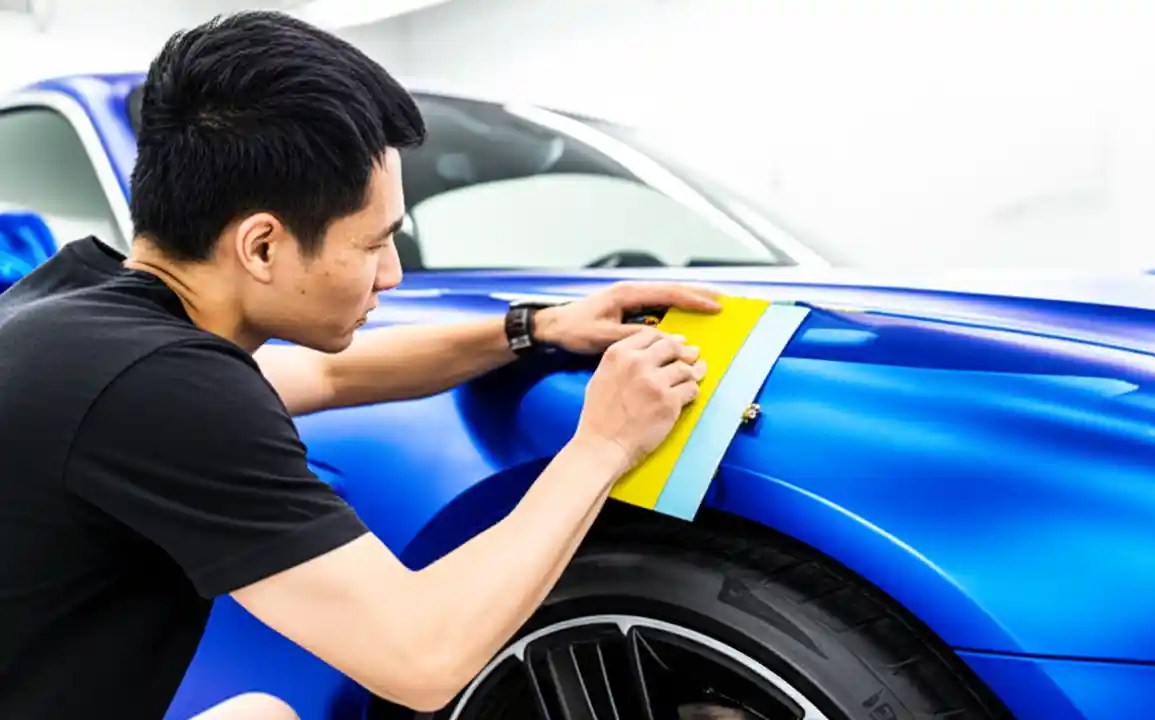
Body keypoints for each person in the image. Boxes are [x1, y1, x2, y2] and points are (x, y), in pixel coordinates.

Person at [0, 11, 720, 719]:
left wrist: (535, 327)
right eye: (374, 242)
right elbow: (422, 659)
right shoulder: (161, 387)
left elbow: (328, 377)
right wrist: (604, 447)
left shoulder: (81, 309)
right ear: (260, 248)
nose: (393, 275)